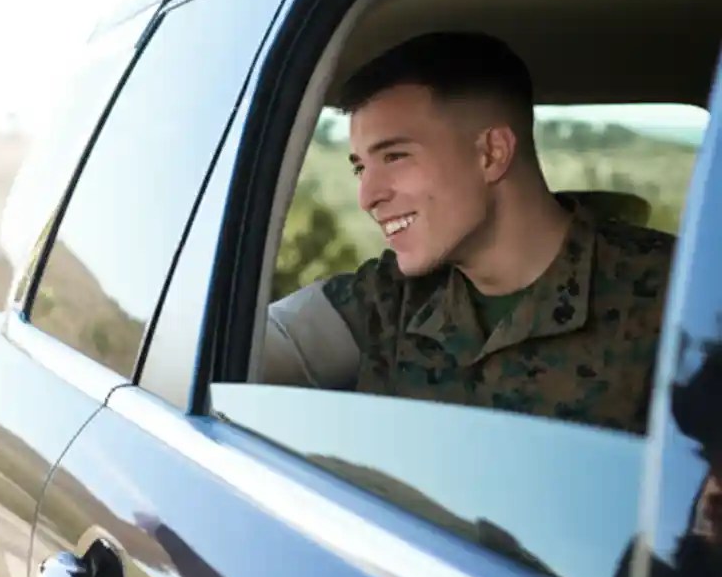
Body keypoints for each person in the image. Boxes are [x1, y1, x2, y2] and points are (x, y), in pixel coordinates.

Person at [263, 31, 673, 434]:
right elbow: (230, 342)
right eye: (360, 167)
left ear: (491, 154)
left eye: (395, 156)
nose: (367, 196)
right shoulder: (389, 297)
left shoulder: (676, 299)